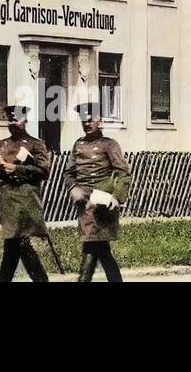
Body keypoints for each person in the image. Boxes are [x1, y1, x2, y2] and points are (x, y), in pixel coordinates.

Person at [0, 104, 53, 282]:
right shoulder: (2, 144)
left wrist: (16, 169)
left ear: (26, 120)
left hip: (26, 200)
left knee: (15, 245)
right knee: (15, 246)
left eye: (17, 119)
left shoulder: (36, 144)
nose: (13, 123)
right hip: (8, 201)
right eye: (10, 119)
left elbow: (43, 171)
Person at [62, 102, 132, 282]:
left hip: (103, 204)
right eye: (83, 120)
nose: (87, 123)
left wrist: (117, 197)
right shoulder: (78, 144)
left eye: (91, 119)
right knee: (101, 251)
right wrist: (74, 187)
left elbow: (123, 172)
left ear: (100, 122)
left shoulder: (109, 144)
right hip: (85, 205)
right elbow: (68, 173)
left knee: (92, 248)